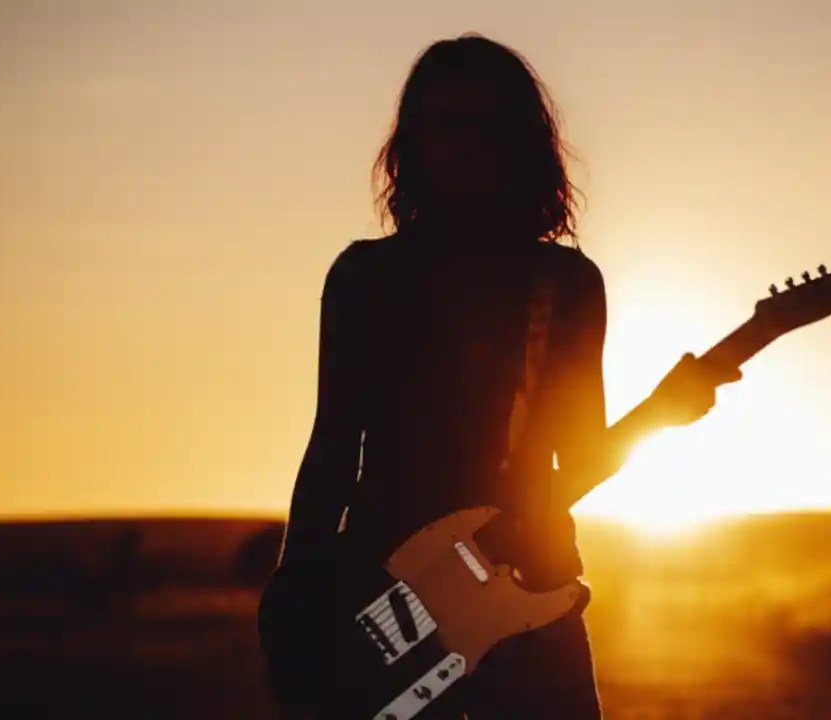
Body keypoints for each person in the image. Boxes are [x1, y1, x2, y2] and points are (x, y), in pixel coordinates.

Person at [273, 33, 742, 719]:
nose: (469, 145)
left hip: (532, 589)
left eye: (488, 125)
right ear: (416, 143)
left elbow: (579, 457)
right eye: (449, 124)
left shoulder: (566, 286)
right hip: (386, 593)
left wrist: (662, 414)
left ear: (521, 142)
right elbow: (333, 449)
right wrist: (294, 597)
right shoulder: (365, 276)